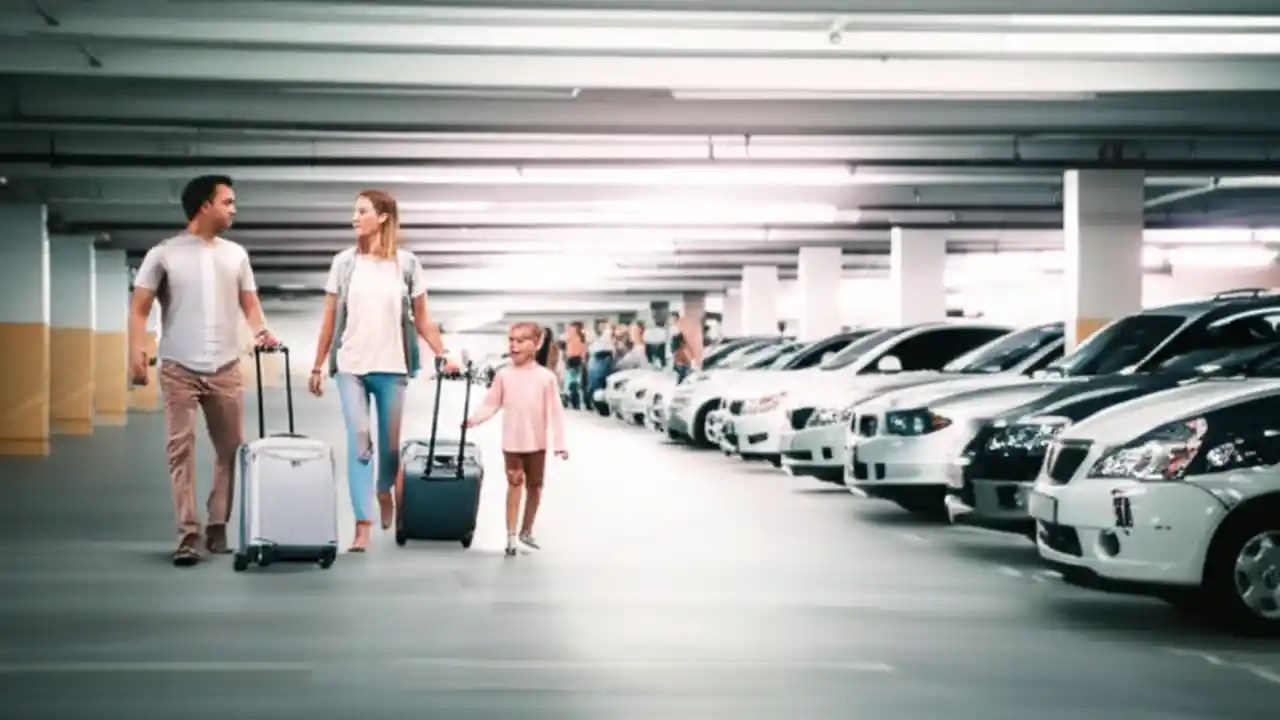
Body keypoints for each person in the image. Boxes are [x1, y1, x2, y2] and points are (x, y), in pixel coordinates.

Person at [129, 174, 280, 567]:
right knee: (180, 450)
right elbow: (139, 308)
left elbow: (250, 305)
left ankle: (217, 525)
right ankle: (187, 535)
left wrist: (262, 331)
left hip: (226, 365)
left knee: (231, 450)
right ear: (204, 205)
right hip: (178, 366)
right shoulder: (163, 254)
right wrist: (136, 353)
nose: (234, 209)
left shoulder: (236, 255)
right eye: (227, 202)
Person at [307, 189, 458, 553]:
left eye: (362, 211)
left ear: (384, 217)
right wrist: (317, 363)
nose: (354, 218)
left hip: (392, 366)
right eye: (354, 212)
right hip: (351, 366)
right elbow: (330, 317)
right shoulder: (343, 263)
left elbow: (422, 318)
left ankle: (383, 488)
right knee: (359, 440)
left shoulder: (406, 265)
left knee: (389, 448)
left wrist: (444, 352)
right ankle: (362, 524)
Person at [464, 322, 568, 556]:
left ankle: (526, 530)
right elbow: (492, 402)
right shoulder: (504, 375)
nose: (514, 345)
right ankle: (511, 536)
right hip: (512, 442)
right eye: (511, 340)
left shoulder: (546, 378)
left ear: (536, 344)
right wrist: (474, 419)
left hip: (537, 443)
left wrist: (560, 443)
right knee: (514, 483)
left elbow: (555, 412)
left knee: (536, 485)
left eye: (520, 341)